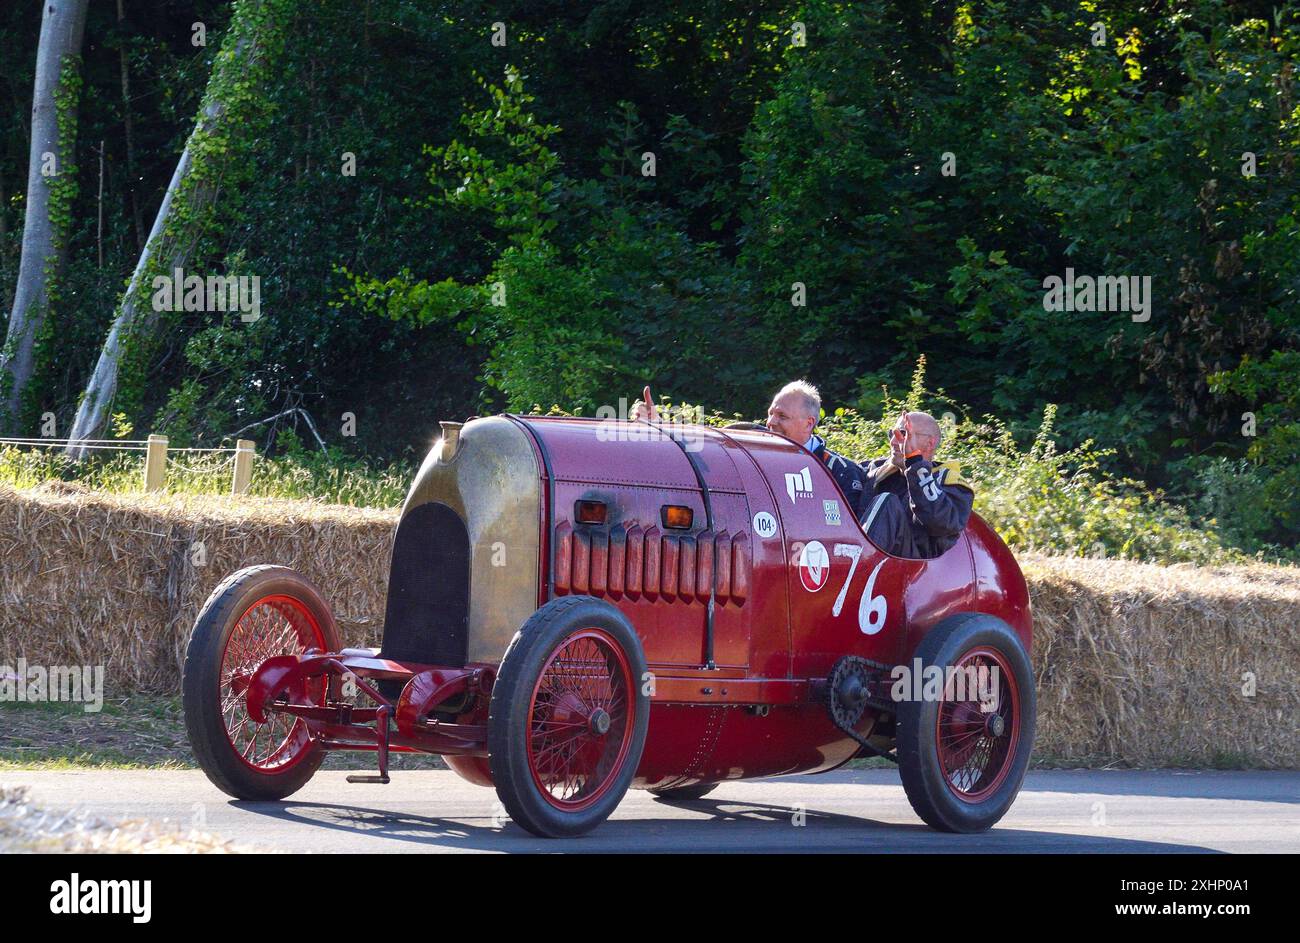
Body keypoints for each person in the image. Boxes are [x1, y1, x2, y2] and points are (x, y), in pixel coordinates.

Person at [629, 381, 868, 518]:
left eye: (782, 416)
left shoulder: (841, 472)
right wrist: (660, 429)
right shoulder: (749, 449)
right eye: (771, 413)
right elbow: (704, 455)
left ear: (809, 423)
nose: (771, 423)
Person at [857, 411, 974, 559]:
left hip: (913, 570)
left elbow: (941, 522)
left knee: (887, 502)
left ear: (930, 443)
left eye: (903, 435)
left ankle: (857, 571)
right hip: (868, 560)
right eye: (891, 434)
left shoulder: (951, 482)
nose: (893, 441)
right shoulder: (877, 469)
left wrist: (914, 463)